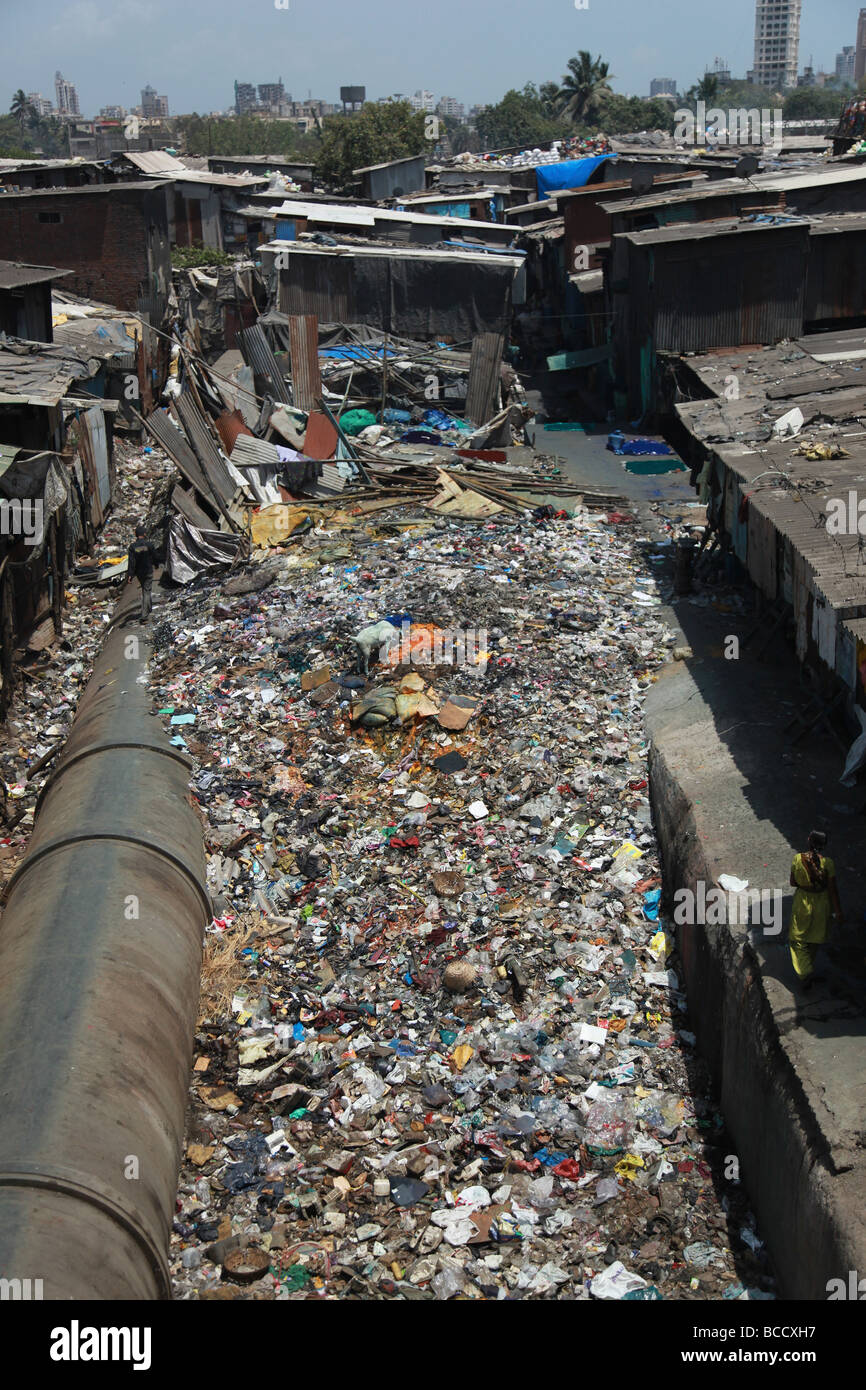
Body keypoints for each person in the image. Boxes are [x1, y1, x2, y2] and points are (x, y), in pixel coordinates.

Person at [788, 831, 842, 989]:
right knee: (814, 938)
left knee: (798, 939)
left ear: (809, 841)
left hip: (803, 902)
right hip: (823, 903)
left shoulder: (798, 859)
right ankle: (807, 966)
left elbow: (792, 882)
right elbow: (833, 890)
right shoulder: (828, 863)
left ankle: (805, 972)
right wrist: (838, 912)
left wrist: (805, 884)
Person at [126, 523, 157, 622]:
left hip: (139, 573)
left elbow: (131, 562)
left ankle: (149, 608)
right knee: (146, 591)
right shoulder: (149, 545)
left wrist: (130, 575)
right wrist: (157, 564)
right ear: (144, 534)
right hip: (148, 570)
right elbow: (155, 556)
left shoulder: (132, 547)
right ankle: (144, 614)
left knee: (145, 589)